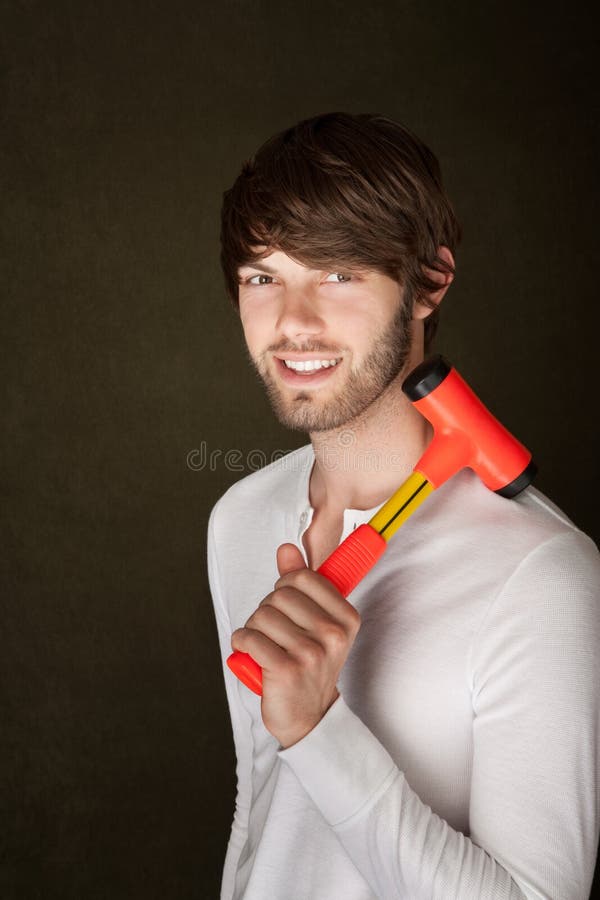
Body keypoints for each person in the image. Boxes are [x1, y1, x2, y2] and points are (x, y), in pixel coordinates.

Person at [207, 112, 600, 899]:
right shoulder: (241, 517)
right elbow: (260, 801)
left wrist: (318, 731)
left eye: (339, 273)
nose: (292, 323)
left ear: (428, 283)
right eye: (263, 276)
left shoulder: (540, 573)